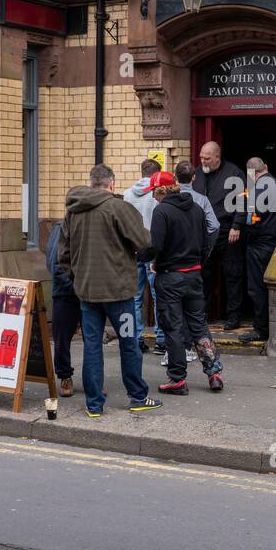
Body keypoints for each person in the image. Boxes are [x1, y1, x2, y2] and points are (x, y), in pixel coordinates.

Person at [56, 164, 162, 417]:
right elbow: (145, 242)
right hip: (120, 295)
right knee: (128, 344)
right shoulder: (119, 208)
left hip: (87, 294)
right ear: (111, 183)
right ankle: (137, 397)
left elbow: (63, 254)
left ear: (92, 182)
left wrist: (77, 278)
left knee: (92, 346)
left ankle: (94, 405)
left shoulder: (73, 212)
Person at [143, 170, 224, 395]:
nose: (153, 197)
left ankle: (177, 379)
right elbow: (208, 235)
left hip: (170, 277)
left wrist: (141, 256)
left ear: (161, 191)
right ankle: (214, 373)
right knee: (199, 325)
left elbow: (156, 246)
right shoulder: (197, 209)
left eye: (154, 193)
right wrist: (200, 259)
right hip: (194, 275)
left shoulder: (162, 211)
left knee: (173, 327)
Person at [193, 141, 247, 329]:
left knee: (232, 275)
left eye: (206, 158)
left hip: (227, 232)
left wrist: (237, 225)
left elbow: (243, 201)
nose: (202, 161)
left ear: (217, 156)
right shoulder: (198, 173)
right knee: (203, 276)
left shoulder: (234, 173)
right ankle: (205, 315)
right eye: (201, 157)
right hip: (204, 234)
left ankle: (233, 317)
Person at [237, 157, 276, 345]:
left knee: (257, 288)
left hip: (259, 245)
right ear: (266, 167)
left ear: (251, 174)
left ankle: (261, 329)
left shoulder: (255, 191)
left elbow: (251, 221)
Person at [124, 158, 166, 353]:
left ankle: (136, 339)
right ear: (157, 174)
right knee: (159, 296)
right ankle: (161, 340)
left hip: (132, 250)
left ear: (141, 172)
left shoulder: (127, 195)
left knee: (134, 297)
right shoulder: (156, 195)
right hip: (151, 249)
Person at [46, 214, 81, 399]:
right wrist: (74, 287)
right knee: (61, 339)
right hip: (65, 293)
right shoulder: (61, 228)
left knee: (93, 340)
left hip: (89, 293)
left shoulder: (91, 226)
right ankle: (65, 376)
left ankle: (93, 380)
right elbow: (54, 263)